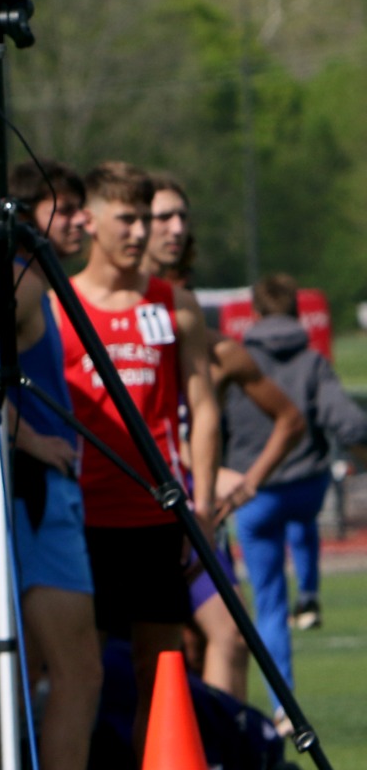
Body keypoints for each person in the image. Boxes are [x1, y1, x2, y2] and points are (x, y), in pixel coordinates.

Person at [0, 170, 101, 770]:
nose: (78, 220)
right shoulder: (23, 277)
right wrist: (32, 437)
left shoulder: (24, 277)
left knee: (16, 675)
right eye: (63, 207)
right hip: (33, 496)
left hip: (20, 494)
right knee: (79, 670)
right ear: (24, 211)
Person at [56, 161, 218, 746]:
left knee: (164, 675)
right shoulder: (58, 305)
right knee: (82, 673)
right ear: (90, 222)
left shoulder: (175, 304)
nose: (138, 233)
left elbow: (204, 409)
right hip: (82, 520)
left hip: (158, 515)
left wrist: (199, 506)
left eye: (144, 220)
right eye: (125, 219)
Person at [144, 172, 304, 702]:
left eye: (182, 218)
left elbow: (290, 418)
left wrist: (243, 482)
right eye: (162, 216)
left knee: (231, 635)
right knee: (145, 650)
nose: (175, 227)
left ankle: (221, 765)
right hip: (130, 503)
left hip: (199, 511)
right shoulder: (99, 321)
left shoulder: (218, 349)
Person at [228, 274, 367, 711]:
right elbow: (350, 423)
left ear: (254, 313)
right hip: (307, 485)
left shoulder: (236, 361)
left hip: (254, 490)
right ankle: (308, 593)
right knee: (303, 518)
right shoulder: (312, 361)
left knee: (268, 604)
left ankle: (283, 706)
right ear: (295, 311)